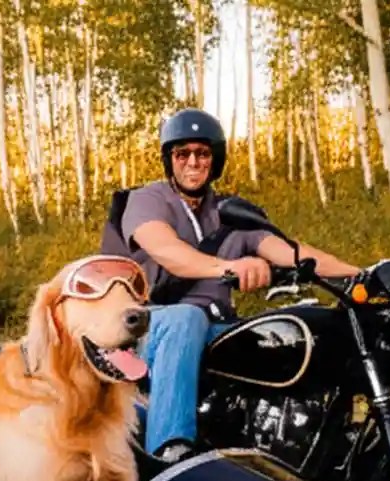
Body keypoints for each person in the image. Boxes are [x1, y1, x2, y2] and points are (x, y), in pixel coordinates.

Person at [110, 108, 363, 462]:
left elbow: (294, 253)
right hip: (148, 327)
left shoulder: (230, 212)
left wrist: (361, 274)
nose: (193, 162)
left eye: (202, 153)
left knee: (298, 330)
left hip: (216, 328)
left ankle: (309, 449)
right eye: (182, 154)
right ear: (170, 160)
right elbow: (168, 252)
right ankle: (170, 453)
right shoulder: (149, 199)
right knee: (186, 318)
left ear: (216, 160)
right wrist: (231, 267)